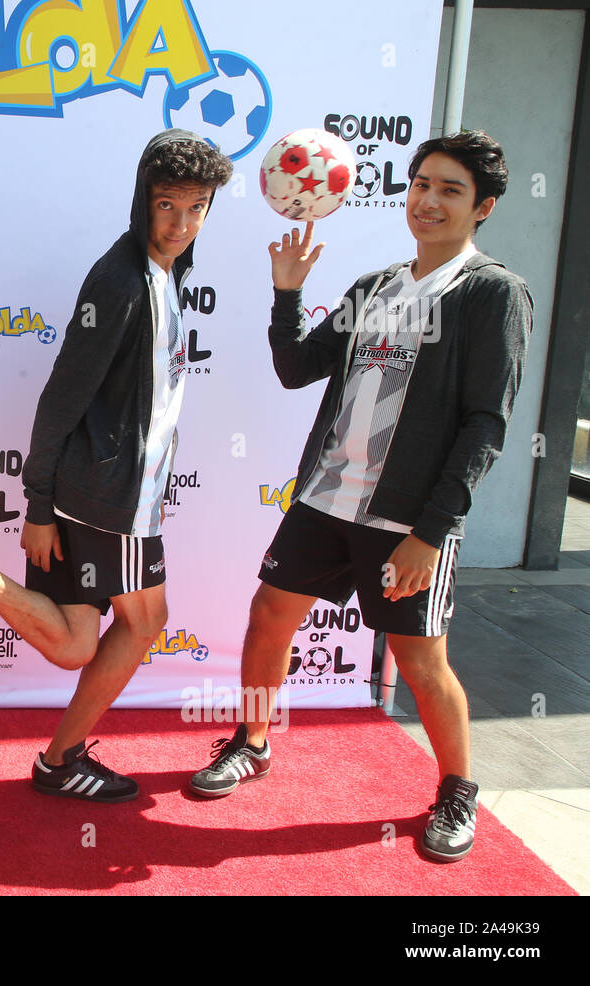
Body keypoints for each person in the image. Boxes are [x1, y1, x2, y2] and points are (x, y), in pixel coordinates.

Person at [186, 131, 532, 863]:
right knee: (268, 616)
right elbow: (295, 368)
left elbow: (485, 425)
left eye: (450, 191)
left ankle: (457, 789)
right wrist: (287, 294)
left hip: (407, 519)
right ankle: (252, 741)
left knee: (419, 659)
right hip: (326, 500)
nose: (428, 201)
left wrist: (431, 533)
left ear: (485, 208)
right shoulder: (373, 287)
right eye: (421, 185)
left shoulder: (492, 293)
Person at [0, 130, 233, 801]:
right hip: (108, 498)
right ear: (141, 200)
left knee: (76, 640)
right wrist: (36, 506)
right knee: (143, 623)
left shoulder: (164, 271)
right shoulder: (120, 279)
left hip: (110, 494)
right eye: (166, 205)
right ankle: (60, 759)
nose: (179, 223)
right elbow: (61, 395)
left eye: (196, 207)